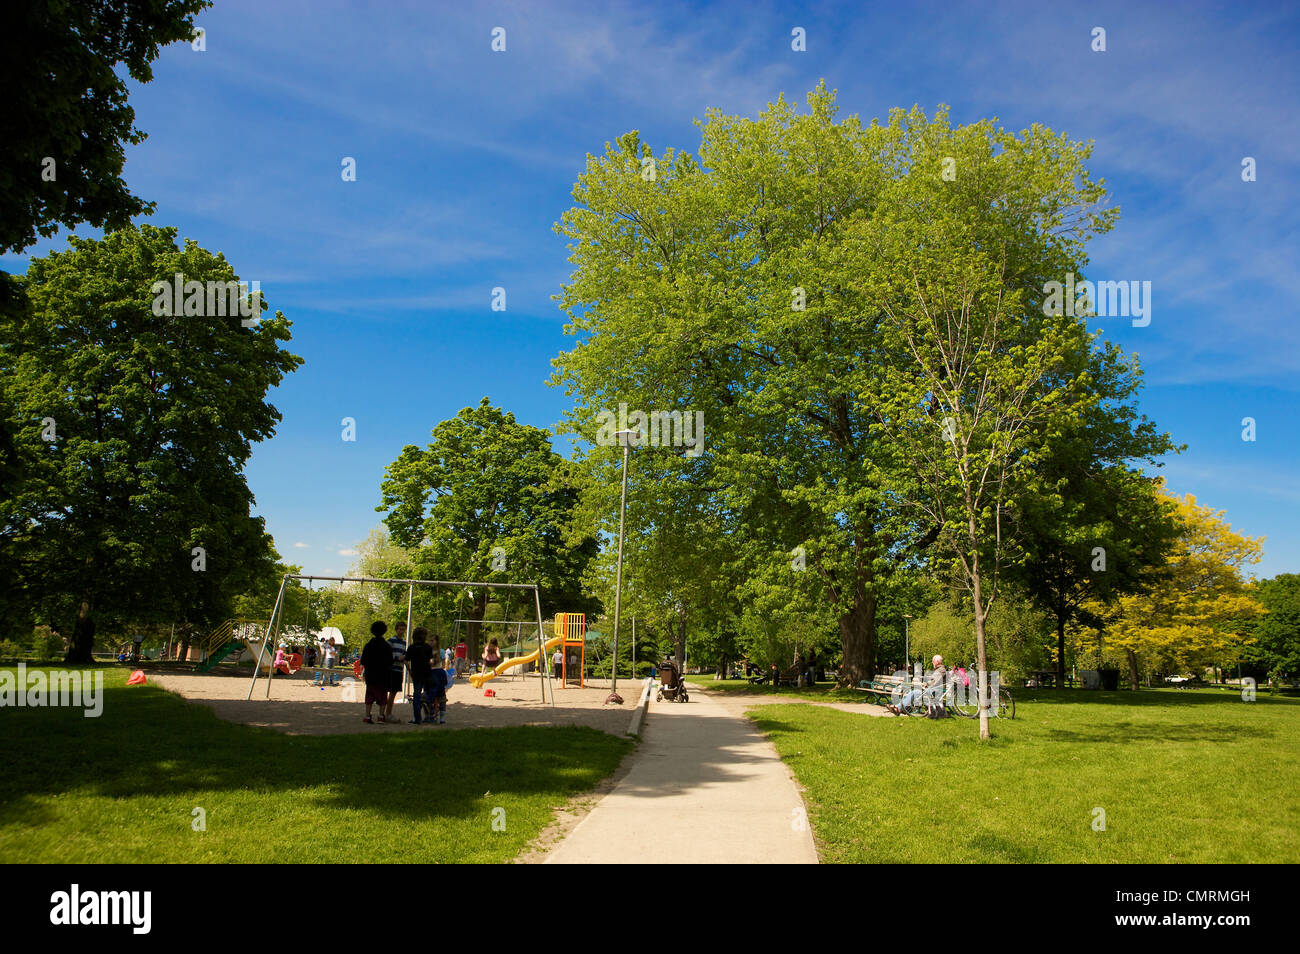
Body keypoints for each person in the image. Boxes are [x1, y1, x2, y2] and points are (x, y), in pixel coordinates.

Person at [360, 621, 393, 724]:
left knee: (369, 695)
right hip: (383, 674)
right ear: (384, 631)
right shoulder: (386, 646)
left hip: (371, 674)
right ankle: (380, 716)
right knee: (383, 696)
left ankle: (367, 715)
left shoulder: (368, 645)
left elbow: (363, 661)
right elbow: (390, 661)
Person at [404, 628, 436, 724]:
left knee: (417, 695)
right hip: (426, 672)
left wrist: (409, 670)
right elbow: (431, 661)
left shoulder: (411, 647)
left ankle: (417, 718)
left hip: (416, 673)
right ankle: (430, 715)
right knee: (428, 694)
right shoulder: (427, 647)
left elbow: (406, 660)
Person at [384, 622, 408, 722]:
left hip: (399, 669)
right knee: (386, 691)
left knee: (393, 693)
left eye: (403, 629)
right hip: (390, 669)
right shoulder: (391, 641)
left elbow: (404, 655)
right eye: (400, 629)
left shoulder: (404, 643)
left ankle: (388, 713)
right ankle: (385, 713)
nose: (401, 631)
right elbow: (386, 655)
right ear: (396, 629)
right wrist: (397, 658)